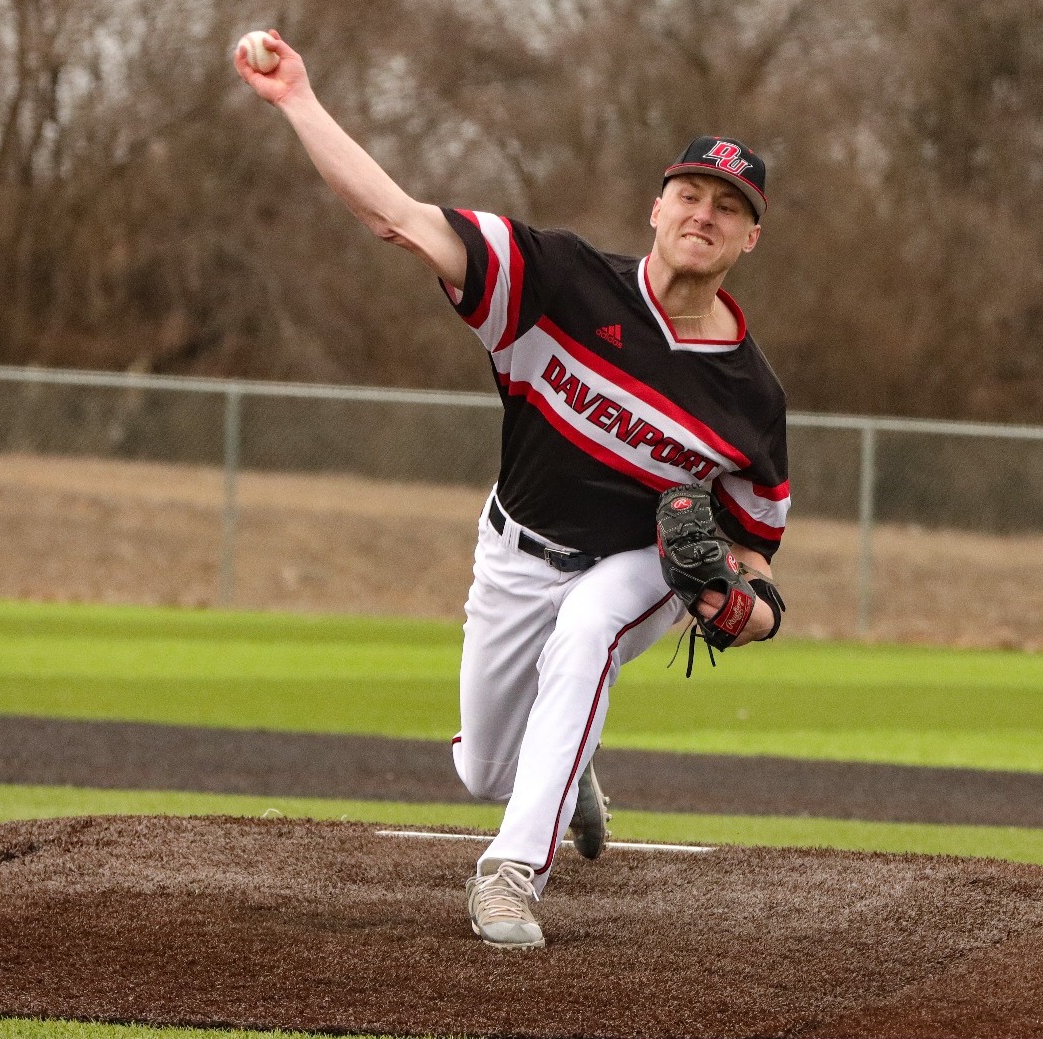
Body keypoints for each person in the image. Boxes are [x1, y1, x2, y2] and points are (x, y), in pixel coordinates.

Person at [236, 30, 790, 950]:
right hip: (514, 548)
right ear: (656, 206)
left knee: (589, 631)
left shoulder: (750, 396)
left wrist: (740, 610)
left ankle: (509, 873)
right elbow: (400, 219)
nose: (703, 213)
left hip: (634, 562)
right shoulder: (556, 281)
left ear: (750, 236)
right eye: (689, 193)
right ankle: (565, 774)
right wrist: (297, 99)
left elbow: (754, 553)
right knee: (483, 767)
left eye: (728, 206)